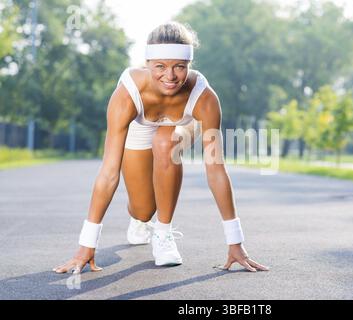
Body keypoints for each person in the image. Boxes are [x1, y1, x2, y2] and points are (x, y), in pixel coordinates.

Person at [53, 21, 269, 274]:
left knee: (165, 141)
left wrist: (236, 241)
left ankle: (164, 234)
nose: (170, 76)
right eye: (160, 67)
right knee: (143, 210)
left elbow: (216, 170)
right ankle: (141, 221)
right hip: (140, 128)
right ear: (147, 64)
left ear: (189, 64)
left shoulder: (205, 97)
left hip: (182, 127)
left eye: (180, 67)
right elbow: (109, 173)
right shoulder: (127, 93)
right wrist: (86, 245)